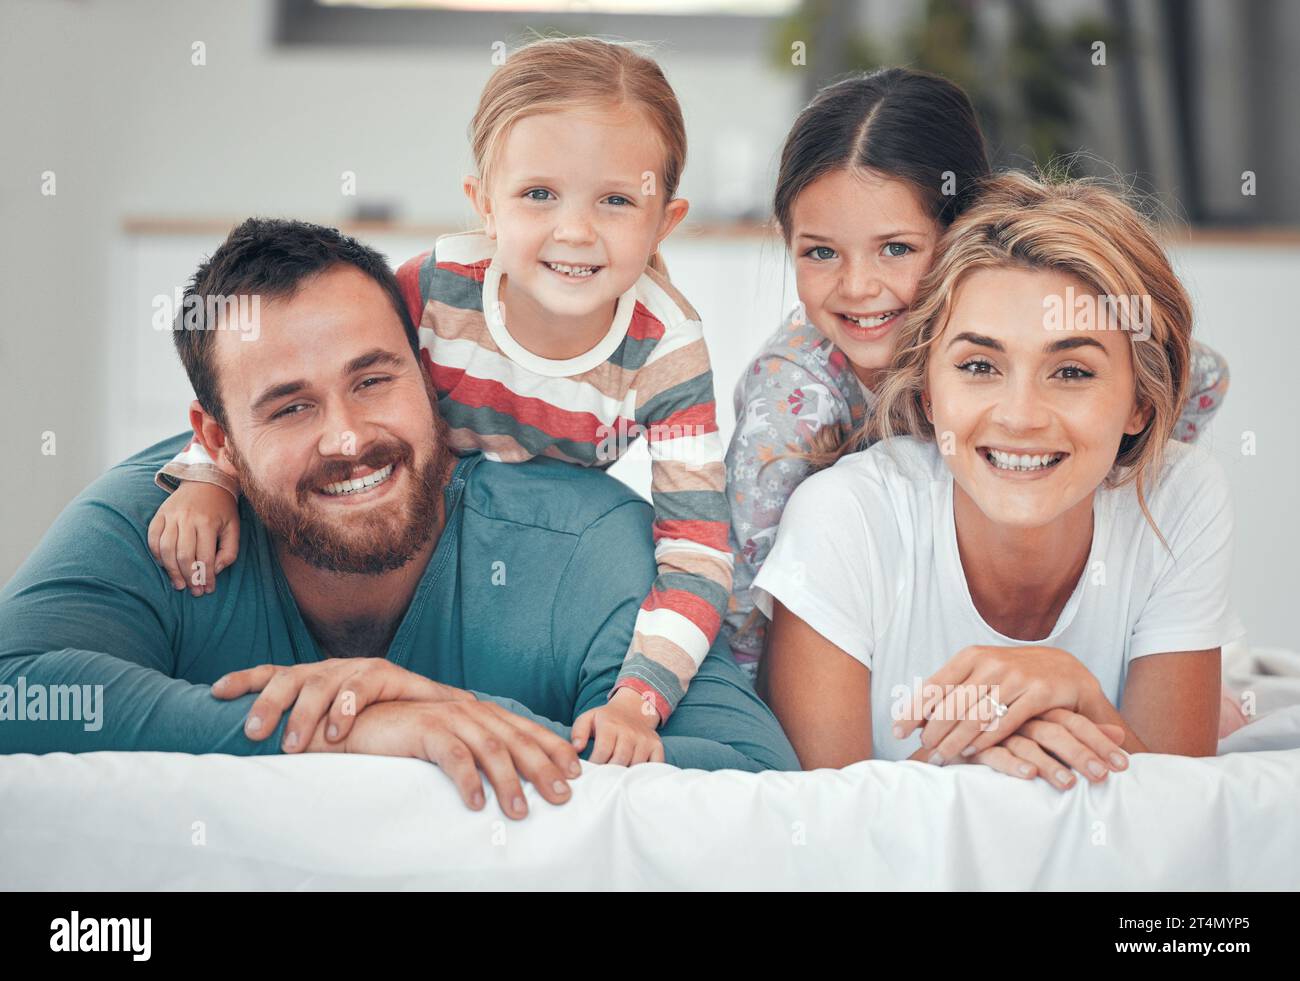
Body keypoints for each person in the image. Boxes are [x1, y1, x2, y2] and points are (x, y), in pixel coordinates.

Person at [0, 218, 799, 820]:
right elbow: (14, 695)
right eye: (290, 406)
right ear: (217, 442)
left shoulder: (581, 543)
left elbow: (756, 776)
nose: (347, 438)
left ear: (428, 372)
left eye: (373, 380)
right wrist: (337, 728)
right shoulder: (163, 521)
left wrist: (448, 717)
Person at [147, 37, 732, 765]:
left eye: (615, 200)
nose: (575, 230)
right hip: (422, 525)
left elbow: (698, 549)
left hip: (532, 548)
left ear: (663, 222)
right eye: (538, 194)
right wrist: (209, 474)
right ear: (484, 204)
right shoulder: (439, 284)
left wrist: (636, 701)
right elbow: (300, 378)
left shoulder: (667, 351)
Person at [723, 68, 1230, 681]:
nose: (858, 287)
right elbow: (747, 598)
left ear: (964, 230)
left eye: (897, 248)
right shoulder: (790, 402)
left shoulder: (1054, 326)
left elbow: (1197, 375)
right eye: (820, 252)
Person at [754, 171, 1245, 790]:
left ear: (1140, 404)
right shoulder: (843, 518)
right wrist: (974, 755)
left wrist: (1080, 695)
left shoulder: (1177, 495)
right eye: (979, 365)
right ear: (928, 393)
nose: (1019, 416)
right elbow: (818, 837)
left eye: (1071, 372)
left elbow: (1182, 827)